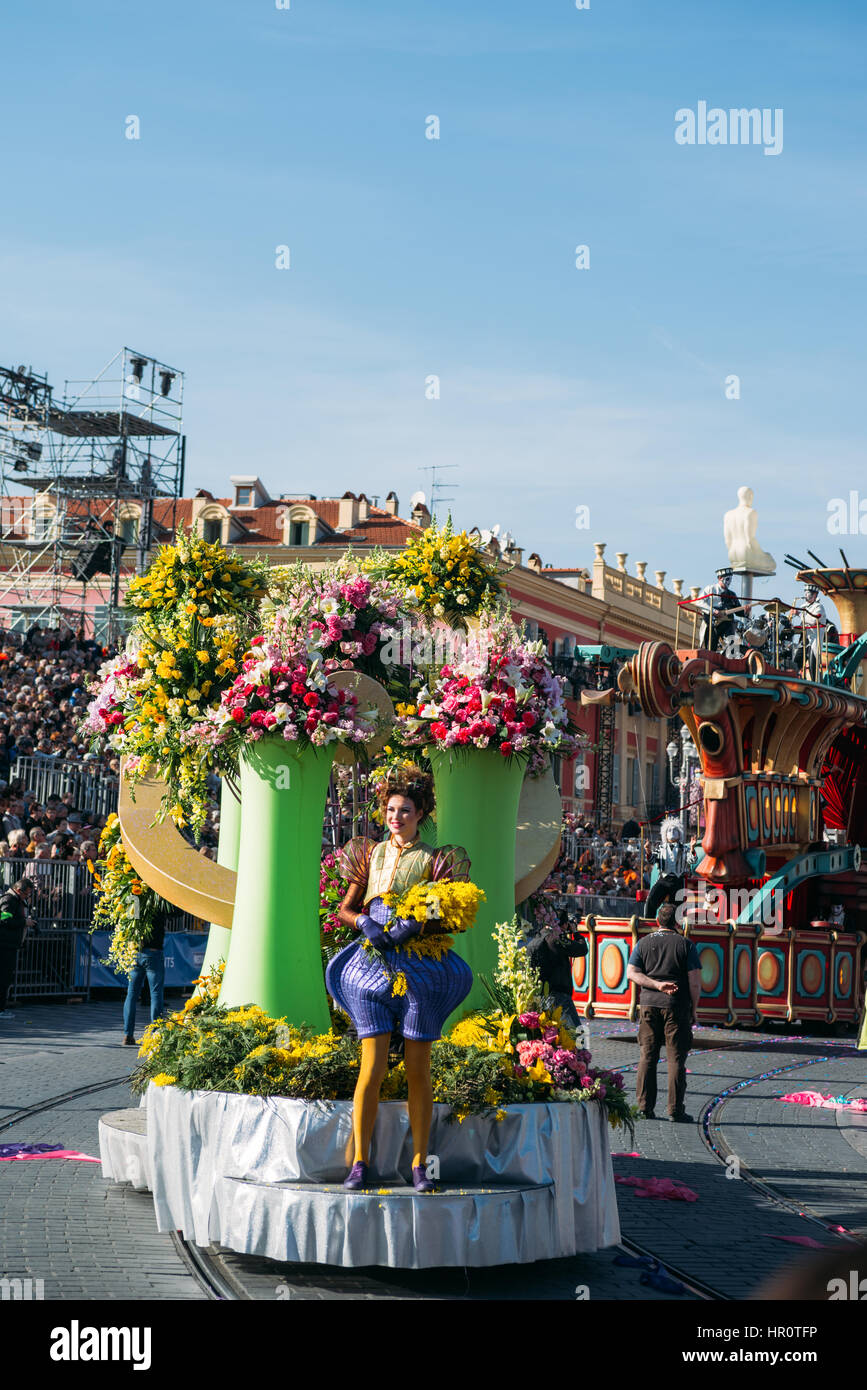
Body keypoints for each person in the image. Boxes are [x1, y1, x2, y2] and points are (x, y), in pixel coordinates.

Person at [325, 765, 472, 1193]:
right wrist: (363, 923)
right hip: (372, 964)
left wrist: (415, 924)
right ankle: (359, 1161)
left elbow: (449, 913)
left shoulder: (435, 859)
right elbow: (345, 909)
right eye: (390, 809)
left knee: (417, 1071)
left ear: (421, 812)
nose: (395, 817)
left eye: (405, 810)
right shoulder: (369, 854)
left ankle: (421, 1163)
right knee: (369, 1069)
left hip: (420, 969)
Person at [626, 903, 702, 1122]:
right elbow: (694, 982)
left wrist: (655, 985)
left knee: (647, 1057)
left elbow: (632, 973)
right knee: (676, 1059)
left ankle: (644, 1107)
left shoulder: (643, 943)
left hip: (649, 1004)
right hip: (676, 1006)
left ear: (657, 921)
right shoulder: (685, 945)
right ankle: (675, 1110)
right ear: (677, 922)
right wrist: (694, 1009)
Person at [121, 899, 169, 1046]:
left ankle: (128, 1034)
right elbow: (176, 912)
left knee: (132, 994)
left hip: (135, 952)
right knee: (156, 994)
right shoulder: (157, 899)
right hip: (153, 952)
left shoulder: (134, 897)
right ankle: (156, 1033)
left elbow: (128, 920)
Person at [0, 876, 37, 1019]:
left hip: (10, 945)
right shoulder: (9, 900)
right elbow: (4, 920)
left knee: (5, 978)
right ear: (18, 890)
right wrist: (24, 922)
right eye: (26, 893)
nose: (27, 896)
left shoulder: (17, 900)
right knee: (3, 978)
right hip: (4, 945)